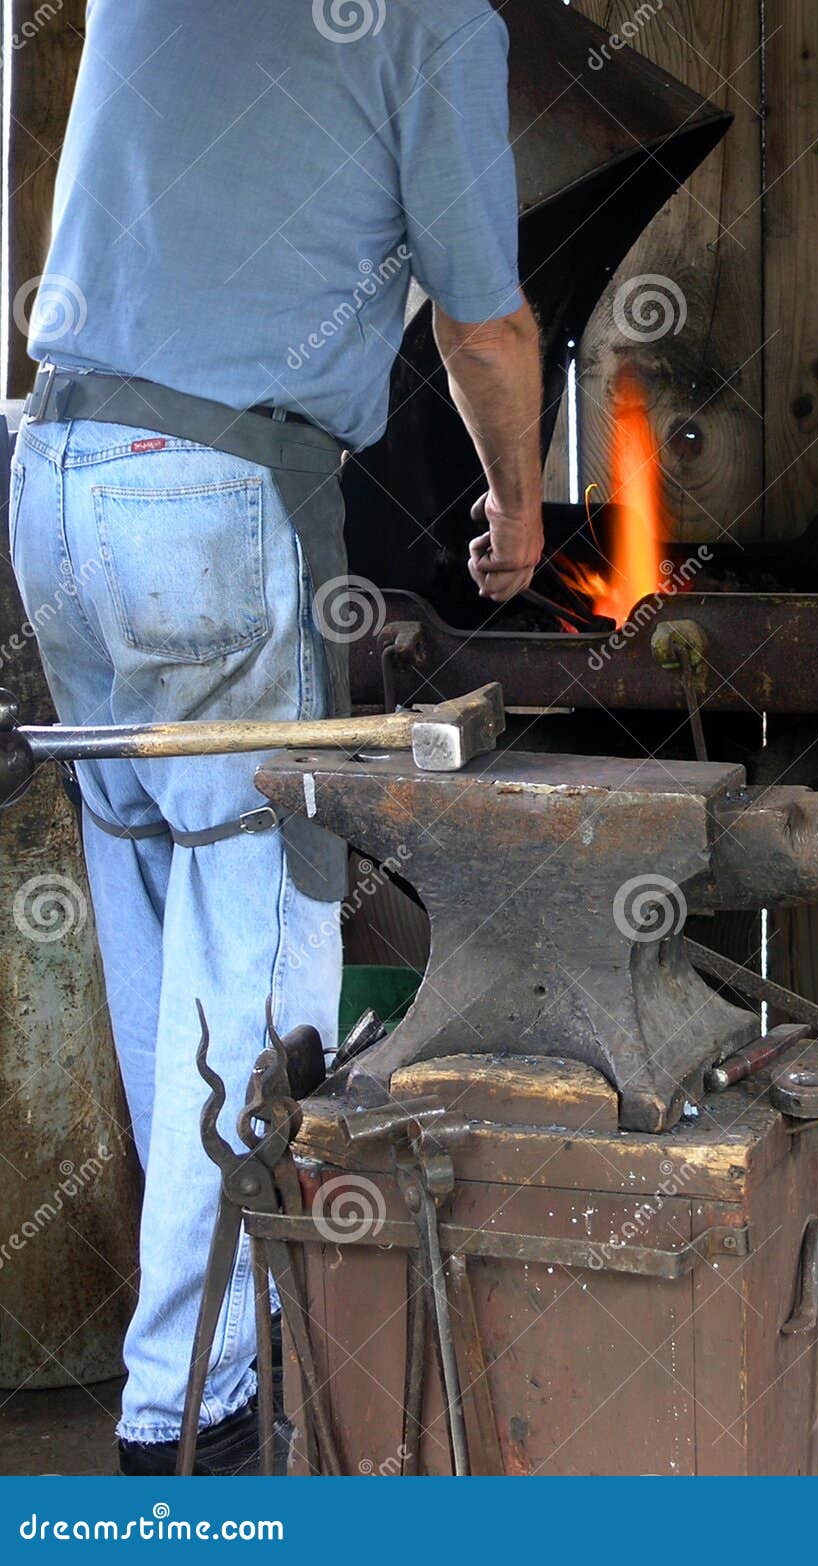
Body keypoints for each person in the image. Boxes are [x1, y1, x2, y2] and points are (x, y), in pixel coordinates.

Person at [7, 0, 543, 1474]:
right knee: (257, 940)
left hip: (53, 472)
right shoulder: (435, 20)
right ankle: (195, 1411)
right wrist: (520, 499)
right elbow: (483, 319)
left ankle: (189, 1366)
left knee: (163, 929)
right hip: (211, 498)